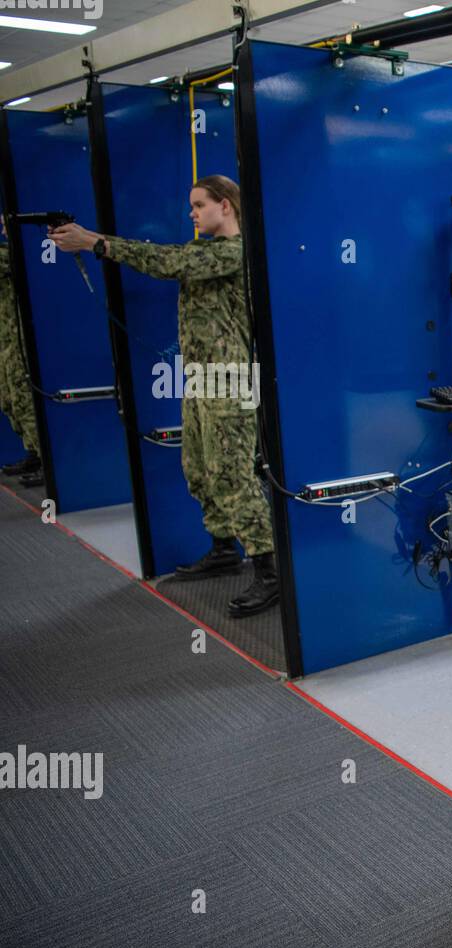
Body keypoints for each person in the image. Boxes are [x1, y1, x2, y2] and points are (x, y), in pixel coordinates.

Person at [49, 176, 278, 618]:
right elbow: (175, 259)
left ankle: (268, 572)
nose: (191, 213)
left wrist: (95, 242)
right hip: (200, 378)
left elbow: (164, 260)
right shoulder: (202, 252)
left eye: (198, 204)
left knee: (232, 476)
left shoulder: (235, 252)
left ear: (226, 206)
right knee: (197, 467)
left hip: (228, 379)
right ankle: (224, 548)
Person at [0, 218, 42, 486]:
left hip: (19, 341)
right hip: (4, 342)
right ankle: (32, 452)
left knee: (24, 398)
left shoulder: (15, 256)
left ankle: (45, 459)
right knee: (8, 399)